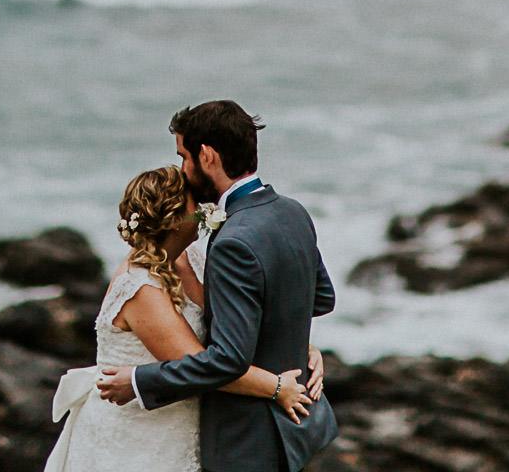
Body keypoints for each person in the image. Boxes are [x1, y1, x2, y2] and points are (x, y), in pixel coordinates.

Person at [94, 101, 339, 472]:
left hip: (245, 439)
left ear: (207, 156)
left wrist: (139, 380)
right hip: (291, 429)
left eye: (184, 156)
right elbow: (320, 298)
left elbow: (228, 359)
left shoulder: (232, 241)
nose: (183, 169)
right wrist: (294, 345)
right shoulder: (292, 211)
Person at [44, 163, 317, 472]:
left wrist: (304, 347)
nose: (202, 210)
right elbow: (202, 365)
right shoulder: (140, 289)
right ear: (174, 221)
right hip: (139, 442)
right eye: (194, 205)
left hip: (181, 429)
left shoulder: (192, 258)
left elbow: (235, 324)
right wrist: (277, 387)